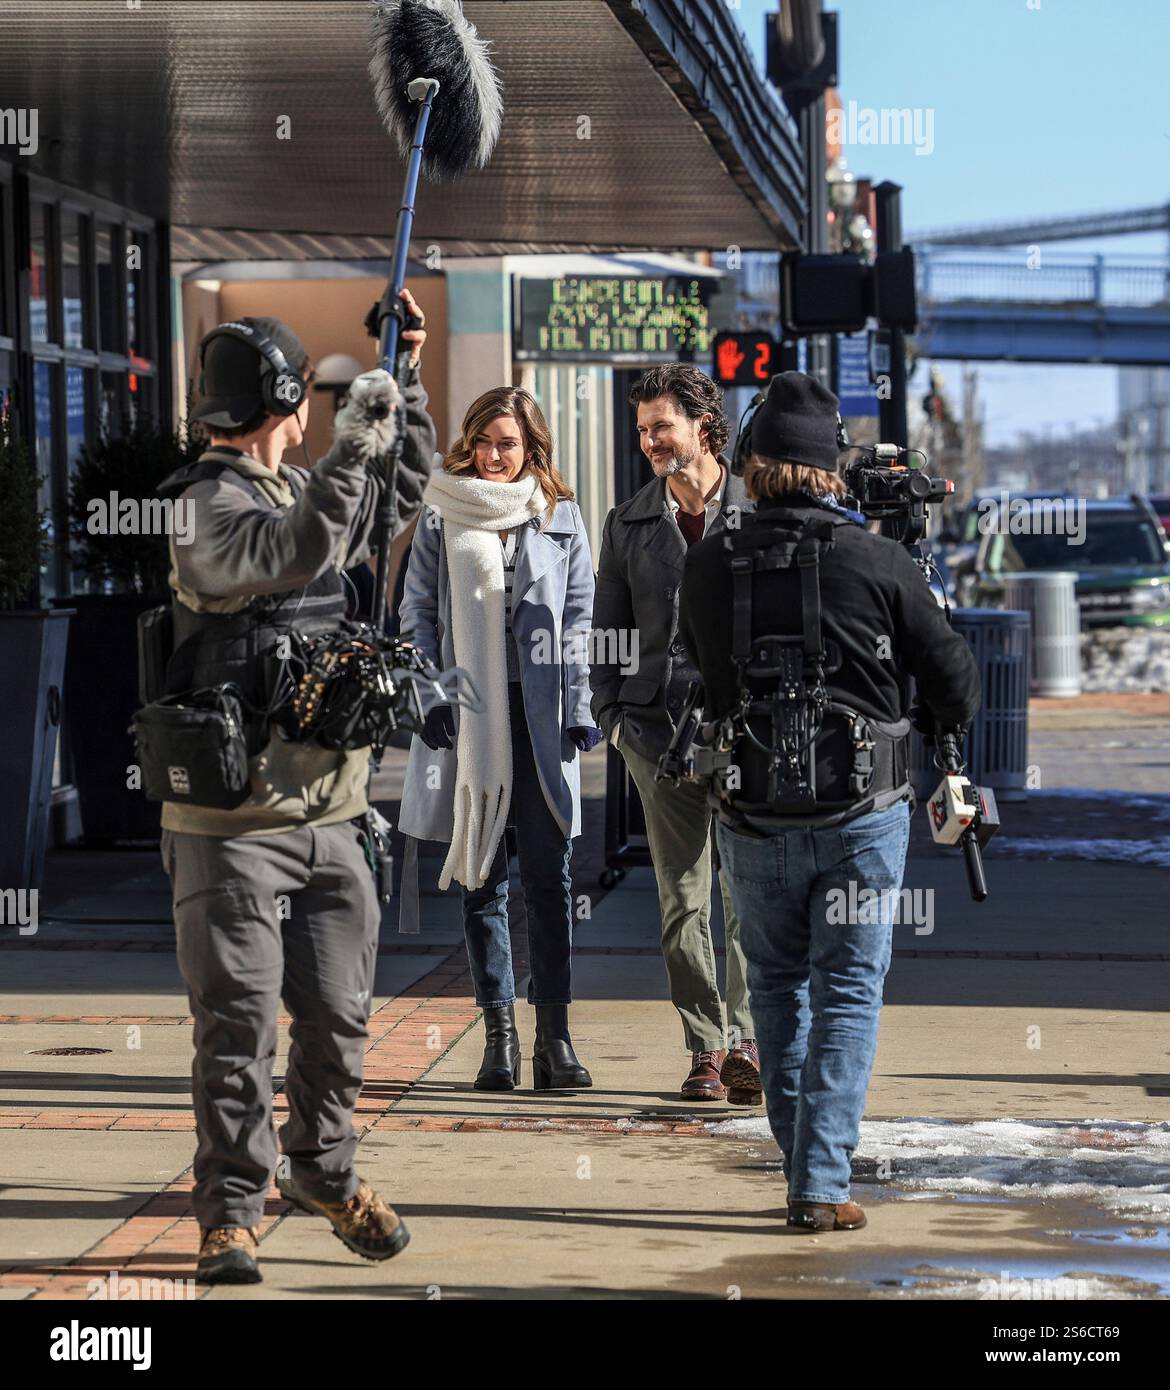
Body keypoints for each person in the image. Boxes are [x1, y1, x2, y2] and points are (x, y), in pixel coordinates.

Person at [156, 314, 435, 1284]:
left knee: (339, 1017)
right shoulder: (200, 508)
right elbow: (295, 549)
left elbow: (391, 494)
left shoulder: (300, 485)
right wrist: (351, 447)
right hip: (232, 826)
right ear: (284, 399)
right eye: (306, 392)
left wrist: (405, 381)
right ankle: (229, 1214)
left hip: (334, 810)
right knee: (235, 1027)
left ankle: (324, 1174)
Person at [678, 371, 981, 1232]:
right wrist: (926, 715)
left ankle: (802, 1157)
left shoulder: (709, 561)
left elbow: (693, 664)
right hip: (860, 818)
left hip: (748, 813)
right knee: (846, 991)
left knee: (774, 987)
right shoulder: (879, 560)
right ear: (832, 470)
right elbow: (955, 676)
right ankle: (817, 1179)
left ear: (750, 462)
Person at [397, 386, 601, 1091]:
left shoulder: (560, 516)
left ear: (531, 449)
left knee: (550, 878)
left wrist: (579, 706)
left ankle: (557, 1041)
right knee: (482, 876)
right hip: (471, 720)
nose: (492, 455)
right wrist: (430, 695)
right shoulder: (442, 510)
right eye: (483, 441)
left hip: (541, 721)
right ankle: (499, 1041)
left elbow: (579, 619)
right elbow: (415, 611)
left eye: (506, 444)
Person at [590, 364, 760, 1104]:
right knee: (681, 898)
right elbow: (607, 632)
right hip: (657, 733)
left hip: (748, 729)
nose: (650, 440)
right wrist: (614, 719)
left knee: (746, 895)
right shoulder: (628, 521)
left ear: (702, 425)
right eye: (642, 429)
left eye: (661, 425)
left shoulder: (759, 507)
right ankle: (707, 1049)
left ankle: (751, 1037)